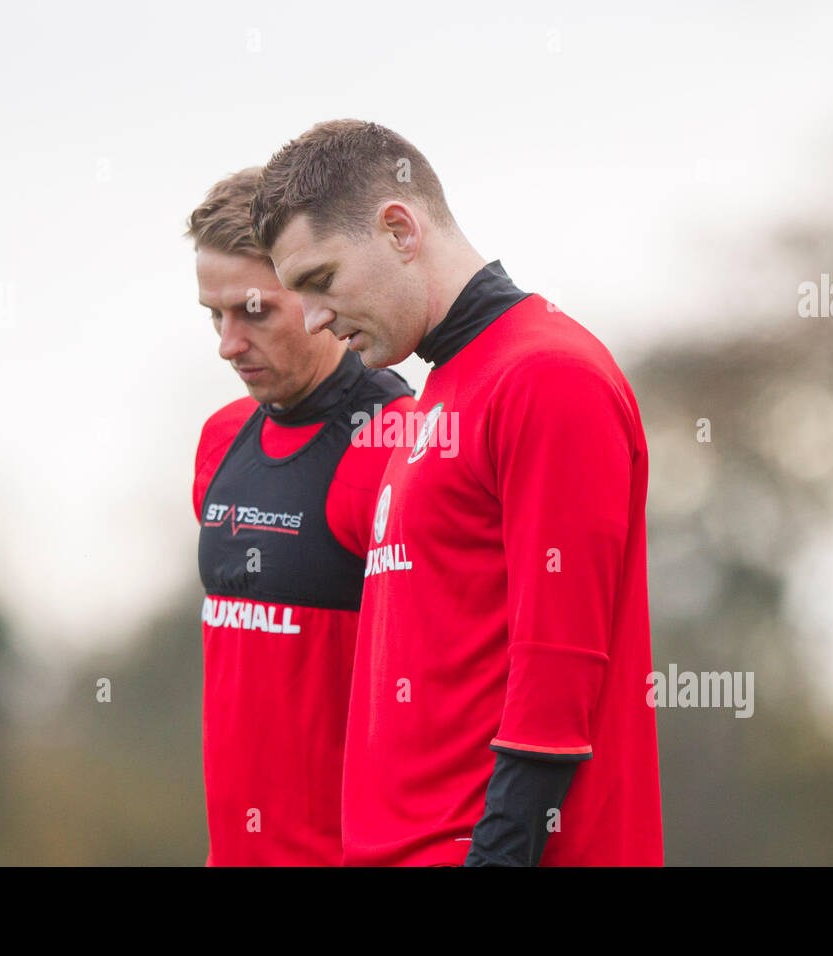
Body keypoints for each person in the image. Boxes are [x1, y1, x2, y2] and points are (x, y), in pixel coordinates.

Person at [250, 120, 663, 866]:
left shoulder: (546, 376)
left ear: (400, 230)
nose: (311, 318)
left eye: (320, 281)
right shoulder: (439, 389)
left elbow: (556, 682)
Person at [187, 167, 415, 865]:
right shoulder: (221, 439)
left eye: (254, 312)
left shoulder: (400, 448)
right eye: (214, 316)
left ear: (321, 295)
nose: (229, 343)